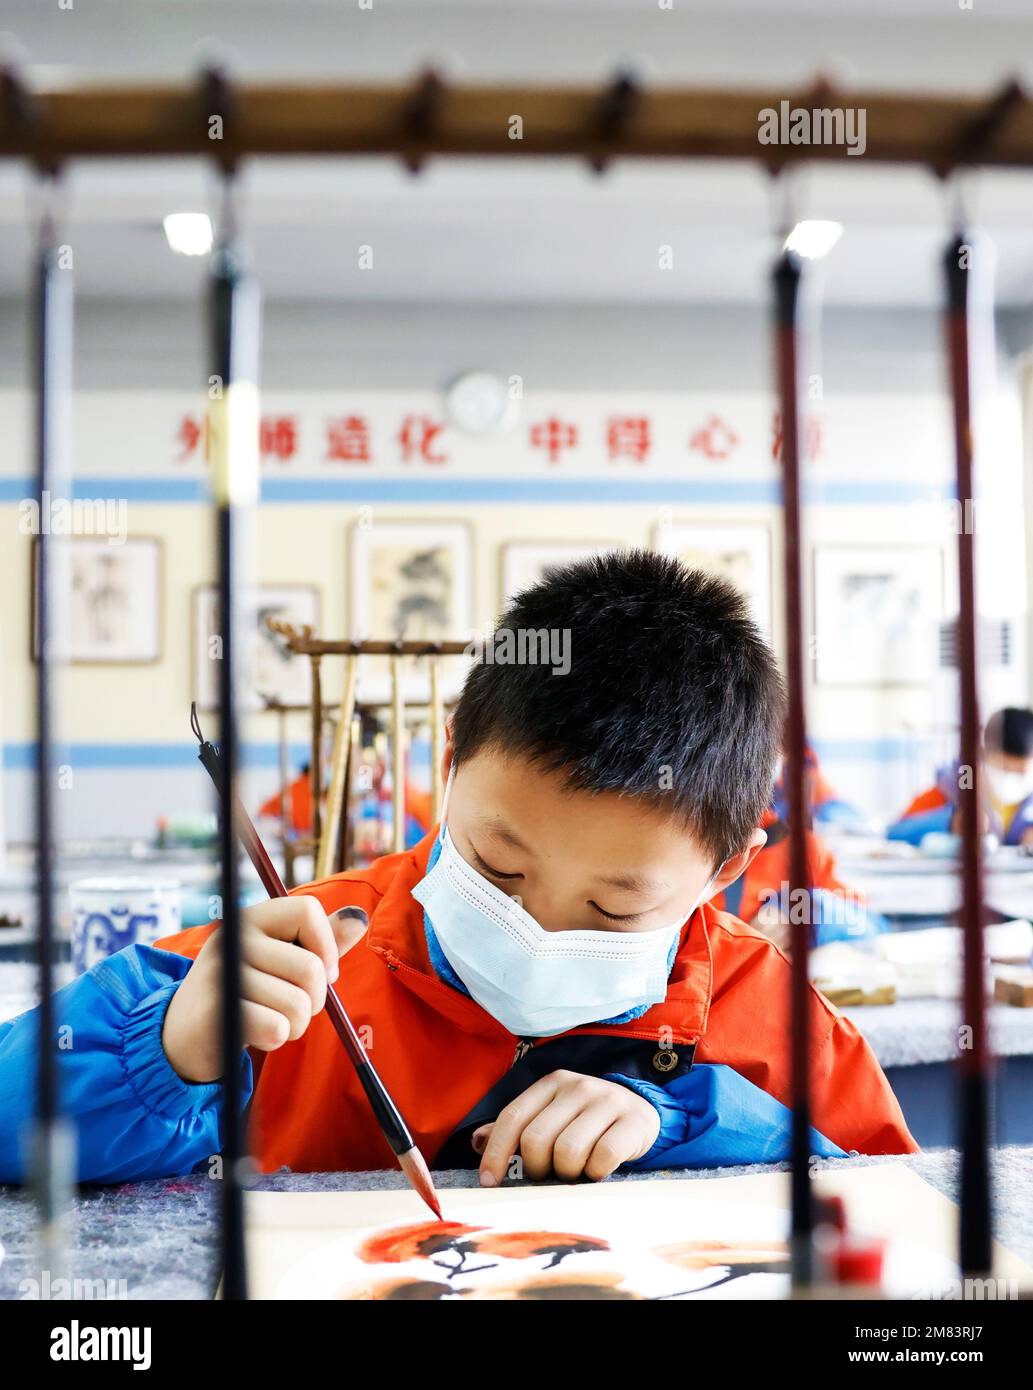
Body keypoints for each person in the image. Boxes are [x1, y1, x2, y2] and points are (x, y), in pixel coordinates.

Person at [0, 552, 914, 1187]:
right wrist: (166, 1053)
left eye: (612, 908)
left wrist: (698, 1122)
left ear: (724, 871)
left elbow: (898, 1209)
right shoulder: (301, 949)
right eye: (498, 867)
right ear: (447, 765)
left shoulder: (770, 1016)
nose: (538, 930)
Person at [888, 707, 1033, 847]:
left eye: (1021, 772)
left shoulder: (1028, 801)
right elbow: (895, 832)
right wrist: (950, 822)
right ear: (982, 756)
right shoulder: (952, 789)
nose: (1011, 779)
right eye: (1005, 769)